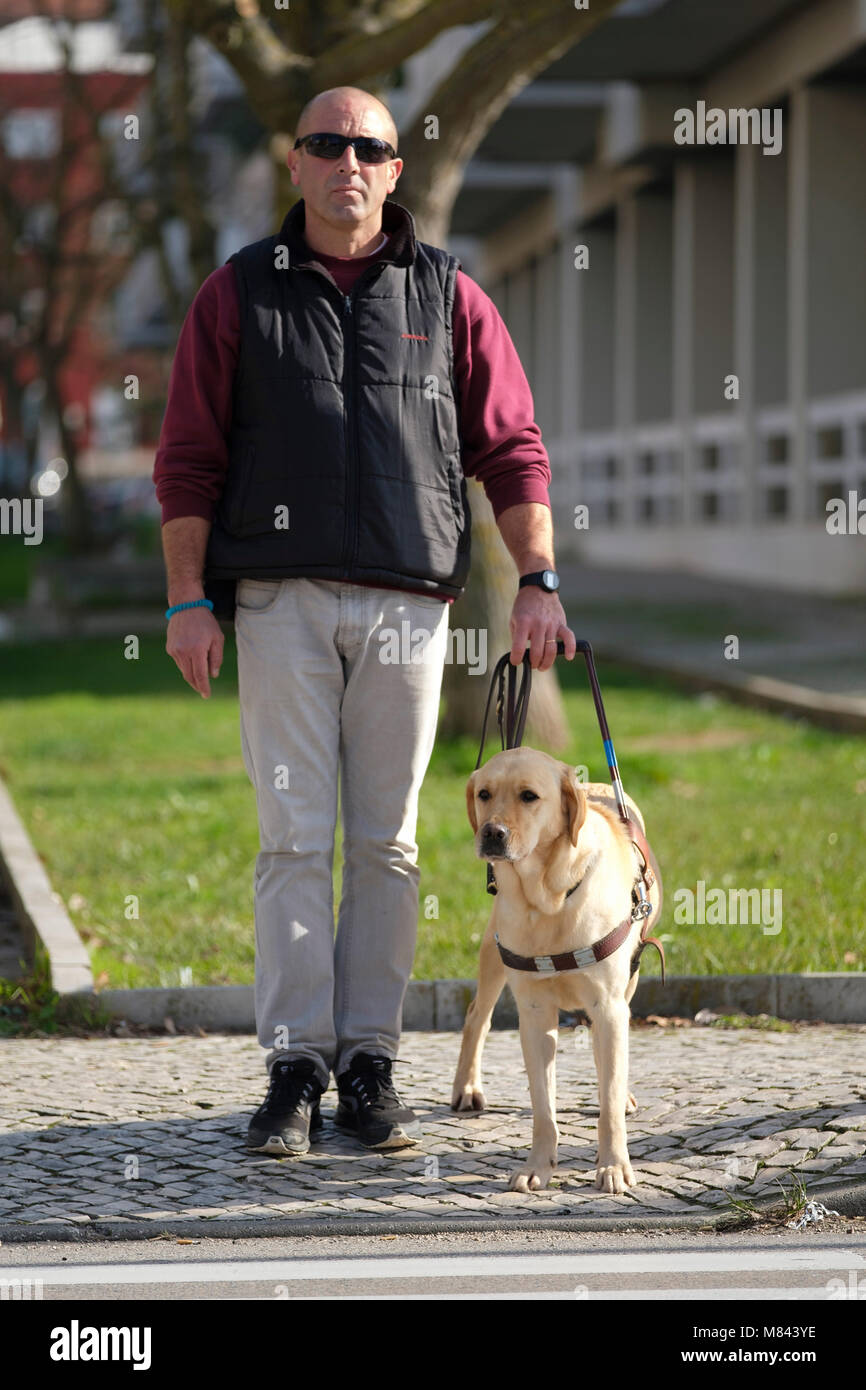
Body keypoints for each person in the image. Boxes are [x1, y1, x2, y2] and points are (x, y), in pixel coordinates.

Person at [153, 85, 576, 1157]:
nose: (348, 162)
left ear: (396, 170)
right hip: (278, 604)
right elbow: (189, 459)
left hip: (405, 606)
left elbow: (510, 446)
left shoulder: (448, 294)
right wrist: (186, 599)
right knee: (292, 838)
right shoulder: (239, 294)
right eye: (327, 145)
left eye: (369, 148)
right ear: (293, 164)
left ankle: (369, 1063)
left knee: (385, 844)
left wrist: (537, 578)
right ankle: (294, 1064)